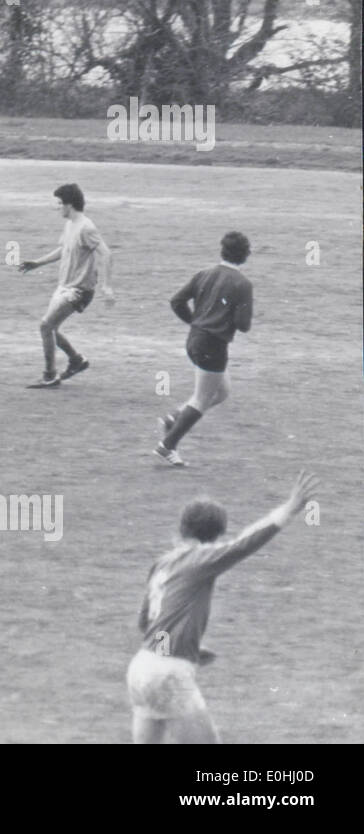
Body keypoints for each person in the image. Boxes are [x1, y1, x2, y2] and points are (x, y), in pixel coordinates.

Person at [128, 469, 318, 743]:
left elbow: (147, 624)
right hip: (169, 673)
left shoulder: (163, 563)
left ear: (182, 527)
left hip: (142, 668)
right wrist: (288, 510)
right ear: (215, 537)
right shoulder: (200, 559)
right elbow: (244, 544)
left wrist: (184, 644)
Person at [155, 232, 254, 467]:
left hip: (194, 340)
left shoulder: (204, 273)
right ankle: (167, 446)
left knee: (221, 392)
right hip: (214, 344)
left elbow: (176, 301)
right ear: (246, 255)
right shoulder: (243, 284)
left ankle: (175, 419)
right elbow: (244, 325)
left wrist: (194, 322)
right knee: (202, 399)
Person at [18, 183, 114, 388]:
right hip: (65, 286)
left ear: (69, 205)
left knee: (46, 326)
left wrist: (107, 286)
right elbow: (63, 250)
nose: (57, 207)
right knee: (50, 328)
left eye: (60, 203)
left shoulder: (86, 227)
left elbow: (105, 253)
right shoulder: (70, 224)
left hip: (79, 290)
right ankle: (76, 360)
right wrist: (37, 263)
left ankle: (50, 375)